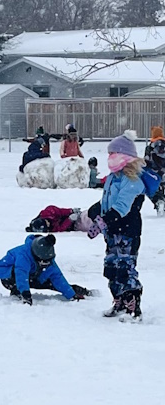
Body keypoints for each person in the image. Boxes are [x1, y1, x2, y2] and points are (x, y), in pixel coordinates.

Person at [90, 130, 146, 321]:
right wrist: (96, 210)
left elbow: (122, 206)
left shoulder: (133, 180)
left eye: (112, 153)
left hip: (127, 231)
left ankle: (133, 307)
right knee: (111, 268)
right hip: (112, 231)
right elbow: (108, 200)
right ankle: (119, 300)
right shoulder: (114, 177)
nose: (109, 157)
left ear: (123, 155)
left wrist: (107, 218)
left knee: (125, 268)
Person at [0, 234, 88, 304]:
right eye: (43, 262)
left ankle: (74, 290)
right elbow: (21, 274)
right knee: (17, 274)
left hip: (32, 275)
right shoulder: (23, 255)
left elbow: (57, 276)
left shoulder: (48, 259)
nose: (45, 264)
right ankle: (17, 290)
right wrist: (25, 293)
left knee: (52, 281)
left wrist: (71, 294)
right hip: (8, 276)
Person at [144, 126, 165, 213]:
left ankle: (159, 201)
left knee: (155, 189)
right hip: (164, 171)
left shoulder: (150, 147)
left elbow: (146, 160)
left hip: (154, 172)